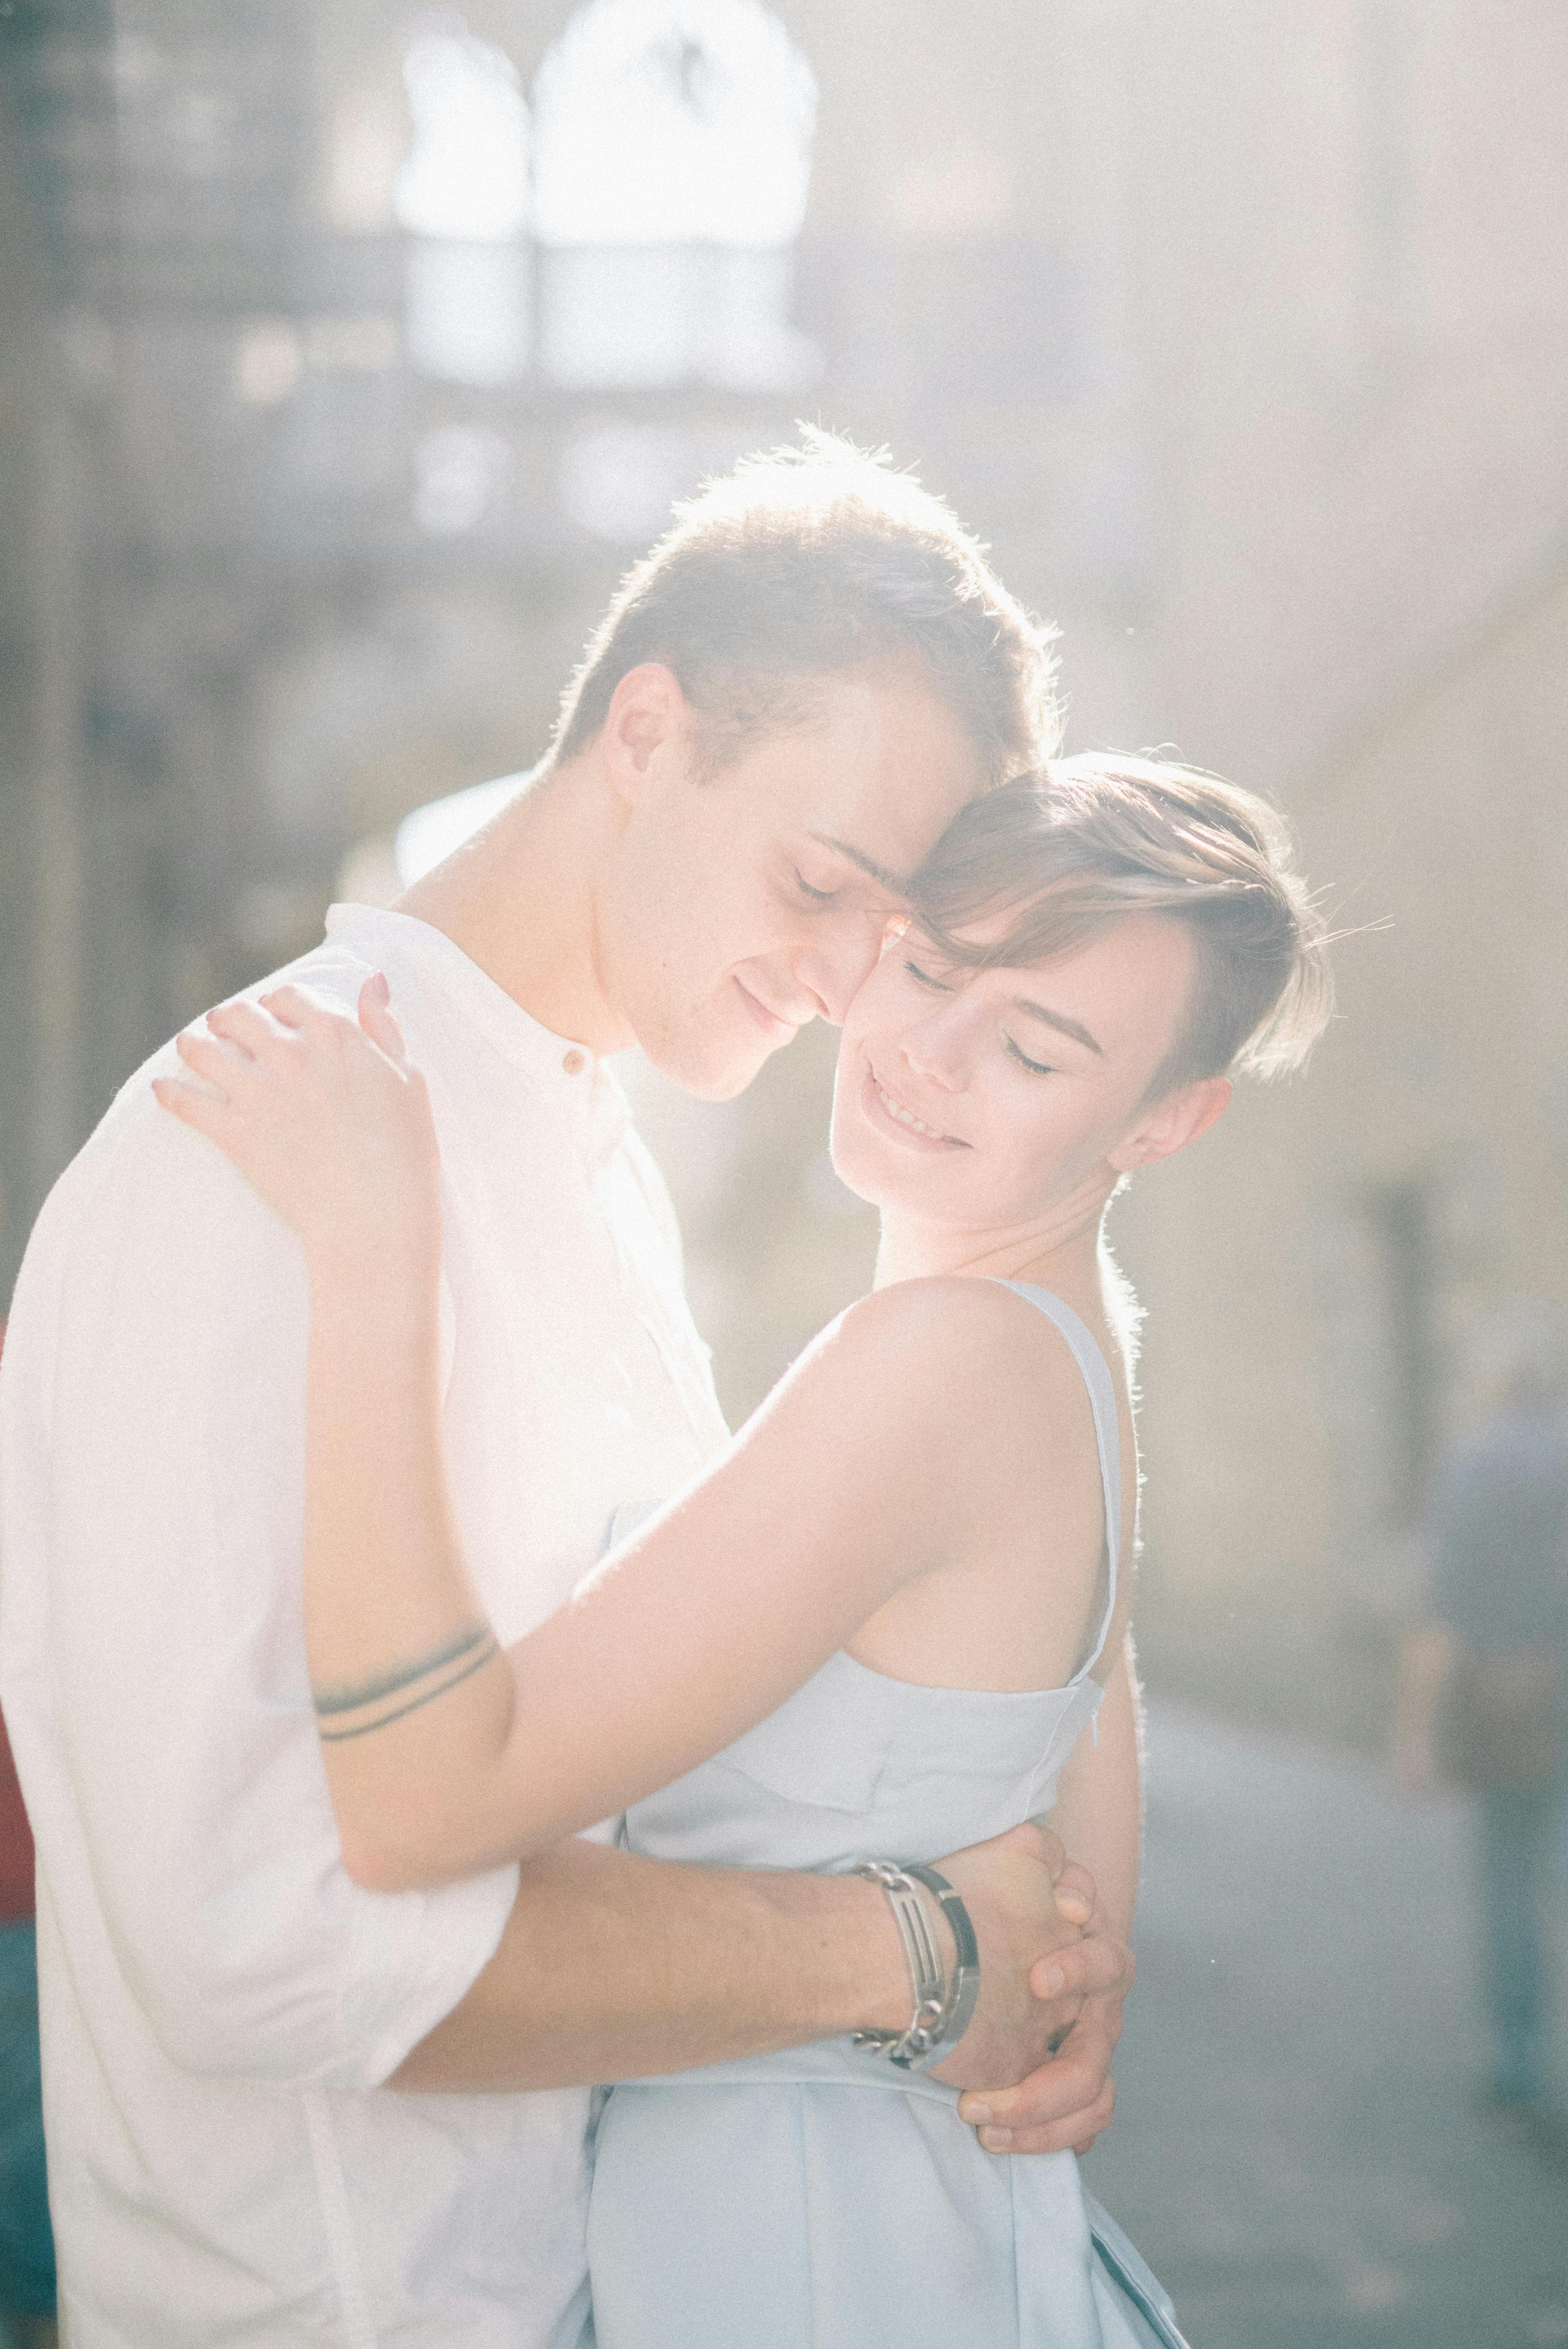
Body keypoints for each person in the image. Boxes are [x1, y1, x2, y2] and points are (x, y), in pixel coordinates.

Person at [0, 438, 1133, 2349]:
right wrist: (908, 1951)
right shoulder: (247, 1141)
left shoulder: (591, 1161)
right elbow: (254, 1938)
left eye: (899, 927)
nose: (856, 980)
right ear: (647, 725)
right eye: (821, 880)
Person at [159, 756, 1331, 2345]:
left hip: (797, 2246)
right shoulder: (1068, 1337)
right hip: (909, 2220)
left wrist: (375, 1258)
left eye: (1033, 1048)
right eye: (924, 965)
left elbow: (437, 1794)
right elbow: (1095, 1659)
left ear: (1166, 1117)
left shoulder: (939, 1359)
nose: (925, 1055)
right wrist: (1082, 1955)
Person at [1396, 1303, 1568, 2124]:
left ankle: (1521, 2060)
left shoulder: (1470, 1470)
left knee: (1508, 1878)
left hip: (1510, 1707)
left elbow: (1440, 1616)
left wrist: (1416, 1737)